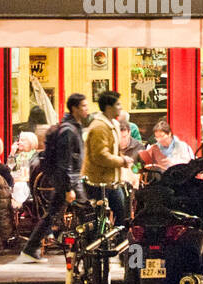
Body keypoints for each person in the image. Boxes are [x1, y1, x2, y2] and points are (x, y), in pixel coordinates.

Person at [19, 92, 88, 262]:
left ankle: (32, 247)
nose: (87, 109)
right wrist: (69, 188)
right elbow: (65, 162)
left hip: (66, 181)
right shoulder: (68, 131)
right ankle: (87, 253)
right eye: (83, 106)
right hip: (68, 182)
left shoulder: (71, 127)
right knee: (88, 213)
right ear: (74, 109)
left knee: (52, 214)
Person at [82, 90, 132, 225]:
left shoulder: (113, 124)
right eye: (118, 104)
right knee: (98, 220)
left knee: (122, 216)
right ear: (109, 108)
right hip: (98, 182)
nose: (121, 107)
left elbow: (114, 150)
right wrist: (122, 161)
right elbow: (100, 156)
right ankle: (100, 244)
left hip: (112, 181)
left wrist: (122, 158)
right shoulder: (99, 127)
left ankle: (119, 242)